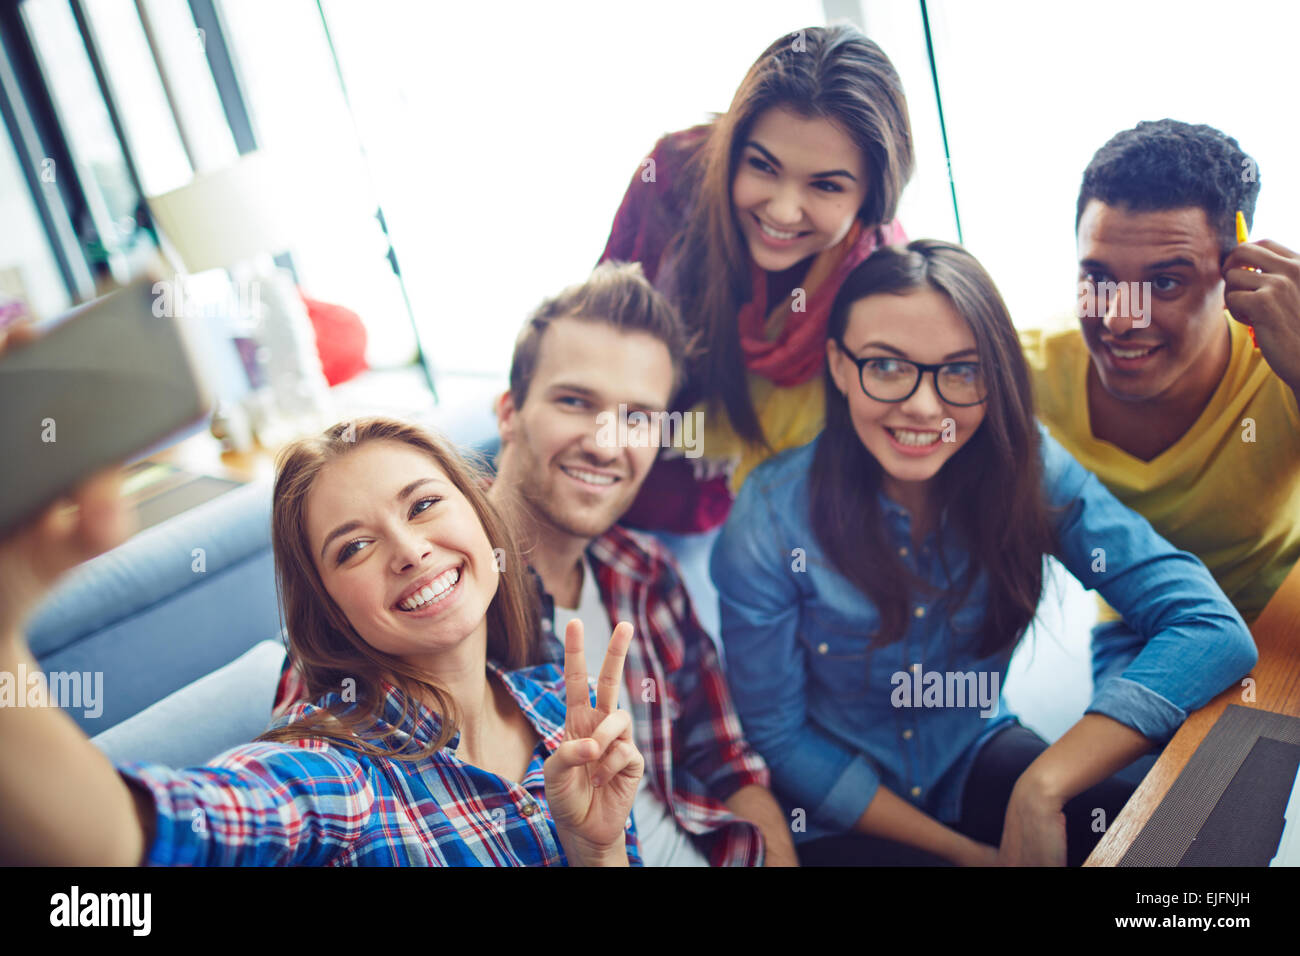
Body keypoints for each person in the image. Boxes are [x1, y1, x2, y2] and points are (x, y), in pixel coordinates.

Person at [709, 240, 1257, 867]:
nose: (922, 406)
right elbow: (779, 738)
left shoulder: (1029, 464)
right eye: (886, 365)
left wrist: (1043, 784)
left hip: (975, 755)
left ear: (994, 379)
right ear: (838, 366)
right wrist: (970, 856)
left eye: (962, 371)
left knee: (1186, 846)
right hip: (837, 810)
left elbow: (1211, 628)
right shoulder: (771, 517)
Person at [276, 263, 797, 864]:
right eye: (576, 402)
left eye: (637, 418)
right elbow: (312, 800)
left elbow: (727, 759)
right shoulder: (419, 598)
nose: (606, 443)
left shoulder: (644, 572)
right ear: (509, 412)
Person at [0, 402, 644, 865]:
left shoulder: (565, 710)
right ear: (330, 608)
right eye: (353, 547)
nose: (410, 550)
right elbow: (122, 846)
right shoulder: (336, 777)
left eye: (422, 505)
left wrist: (600, 850)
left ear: (479, 509)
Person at [600, 23, 913, 533]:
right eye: (763, 167)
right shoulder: (672, 176)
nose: (784, 211)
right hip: (605, 458)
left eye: (827, 185)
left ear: (872, 198)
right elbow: (601, 326)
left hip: (735, 508)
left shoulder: (883, 282)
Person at [1021, 120, 1300, 676]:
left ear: (1237, 275)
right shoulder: (1025, 375)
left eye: (1165, 283)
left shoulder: (1282, 358)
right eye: (1098, 278)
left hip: (1283, 607)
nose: (1121, 319)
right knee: (1147, 769)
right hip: (1141, 626)